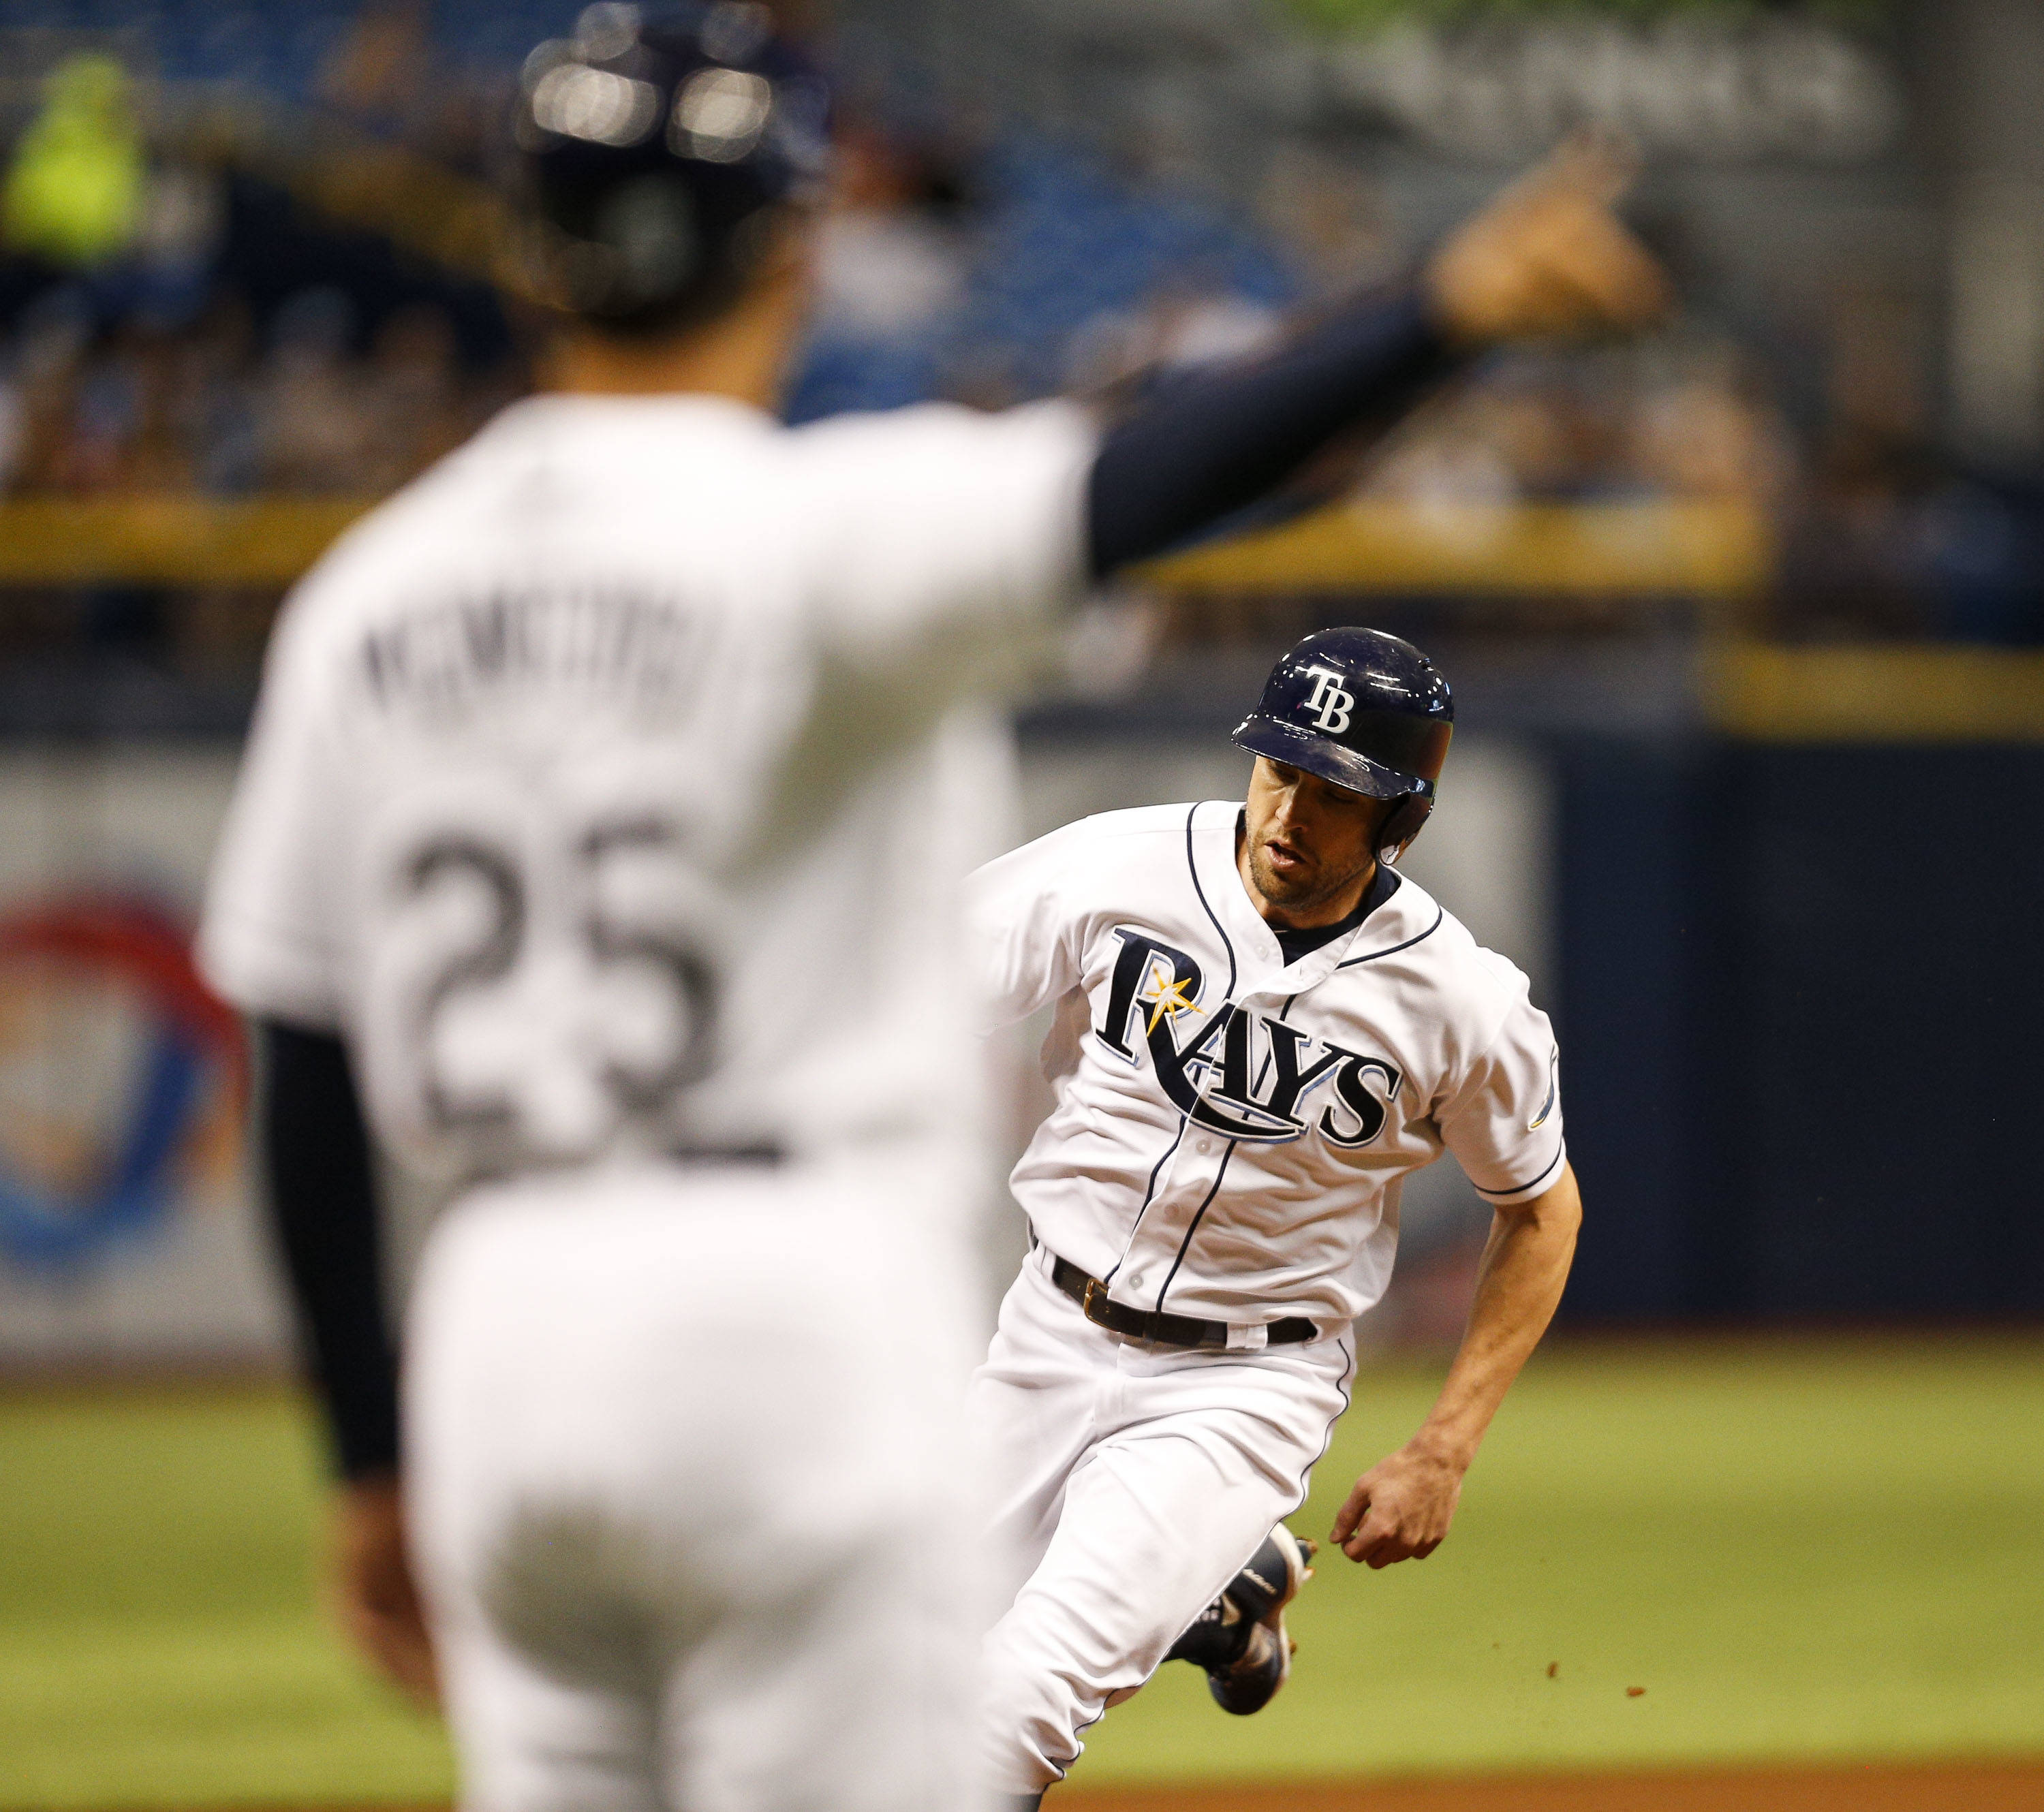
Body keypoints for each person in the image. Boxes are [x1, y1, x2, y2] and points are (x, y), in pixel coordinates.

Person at [198, 3, 1665, 1803]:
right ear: (796, 249)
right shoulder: (831, 530)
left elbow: (302, 1050)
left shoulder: (367, 596)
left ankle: (1209, 1556)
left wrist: (364, 1452)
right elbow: (1154, 478)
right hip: (785, 1307)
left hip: (502, 1324)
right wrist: (1441, 310)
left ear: (519, 245)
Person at [966, 627, 1583, 1803]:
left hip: (1241, 1387)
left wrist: (1445, 1446)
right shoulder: (1122, 866)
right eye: (1280, 768)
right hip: (1043, 1332)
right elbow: (911, 979)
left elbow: (1541, 1214)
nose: (1291, 813)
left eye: (1334, 792)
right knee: (876, 1678)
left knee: (1009, 1706)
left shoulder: (1463, 1002)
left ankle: (1205, 1549)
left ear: (1399, 817)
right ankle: (1222, 1589)